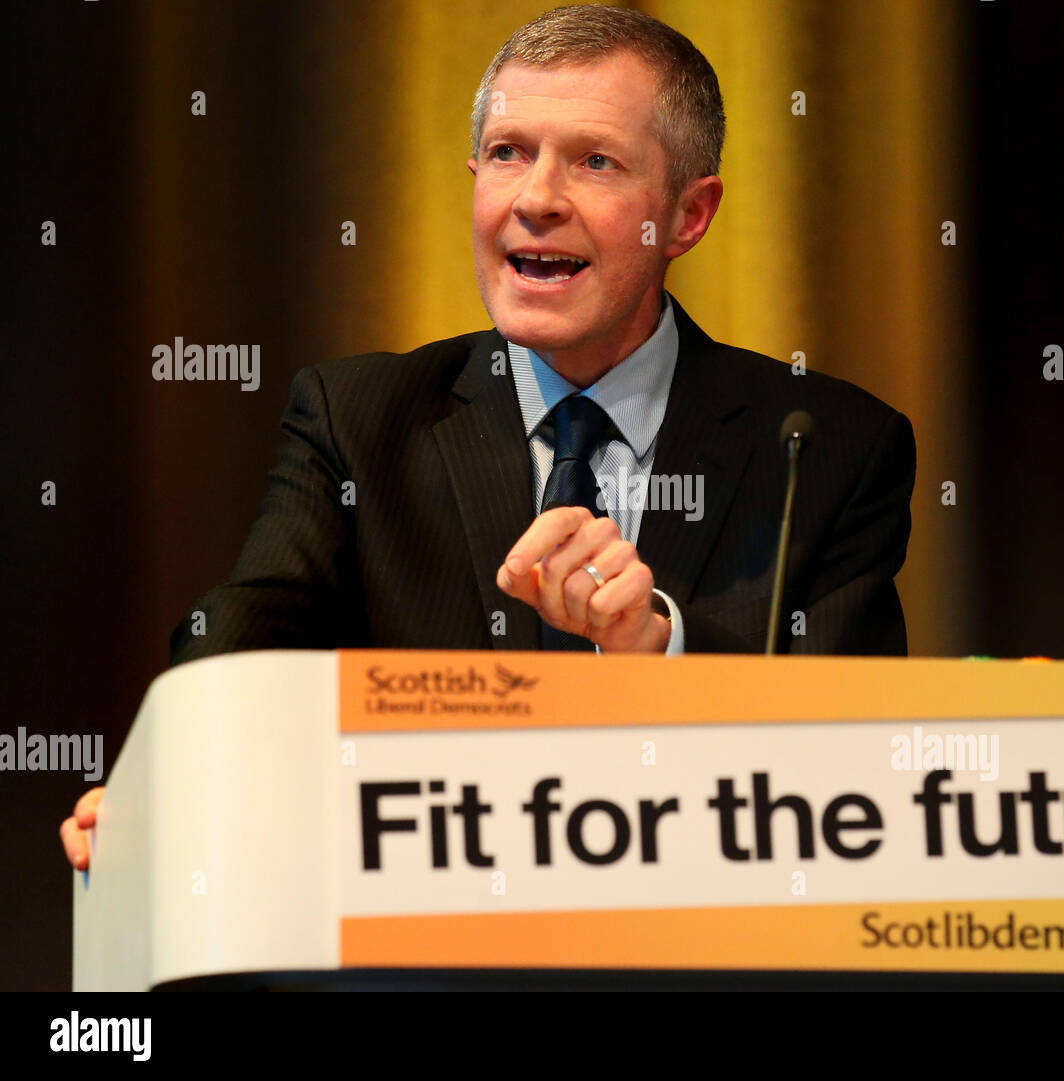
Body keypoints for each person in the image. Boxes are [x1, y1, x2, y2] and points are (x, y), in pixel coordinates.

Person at [61, 4, 915, 870]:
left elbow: (860, 761)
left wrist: (660, 650)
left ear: (689, 217)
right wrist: (168, 773)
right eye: (508, 152)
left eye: (595, 162)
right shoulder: (360, 418)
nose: (536, 199)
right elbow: (249, 628)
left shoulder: (828, 449)